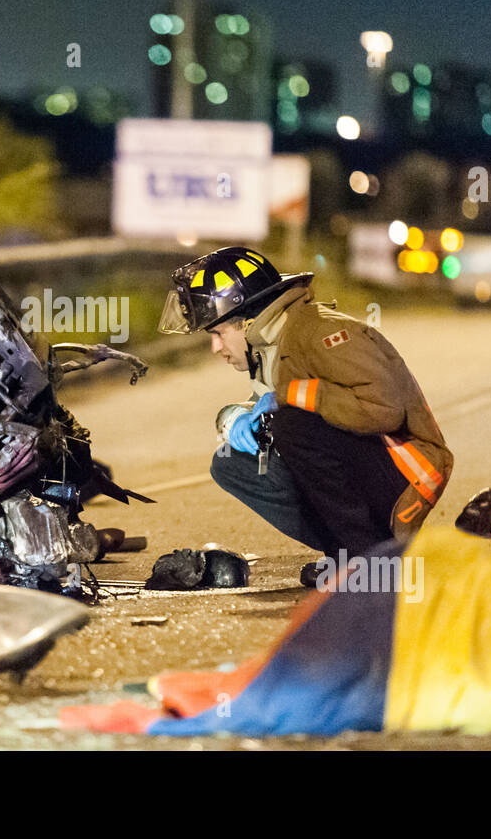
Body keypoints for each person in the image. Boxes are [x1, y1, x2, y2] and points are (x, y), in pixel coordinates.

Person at [158, 246, 453, 587]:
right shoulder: (273, 344)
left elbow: (383, 411)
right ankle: (343, 555)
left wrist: (288, 397)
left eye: (218, 333)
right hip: (377, 468)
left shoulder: (319, 333)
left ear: (248, 321)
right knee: (231, 464)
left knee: (293, 427)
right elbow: (272, 406)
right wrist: (233, 416)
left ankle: (369, 557)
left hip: (409, 473)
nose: (215, 347)